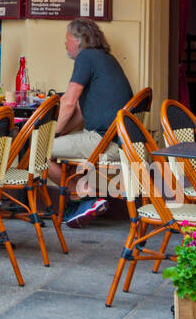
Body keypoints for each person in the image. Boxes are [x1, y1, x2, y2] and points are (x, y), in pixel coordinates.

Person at [46, 18, 138, 228]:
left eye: (67, 39)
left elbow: (68, 103)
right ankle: (81, 196)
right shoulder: (106, 59)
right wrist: (58, 134)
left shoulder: (85, 57)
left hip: (104, 141)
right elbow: (80, 112)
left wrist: (49, 136)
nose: (65, 44)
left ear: (78, 41)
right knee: (47, 147)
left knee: (35, 149)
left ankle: (81, 193)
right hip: (120, 141)